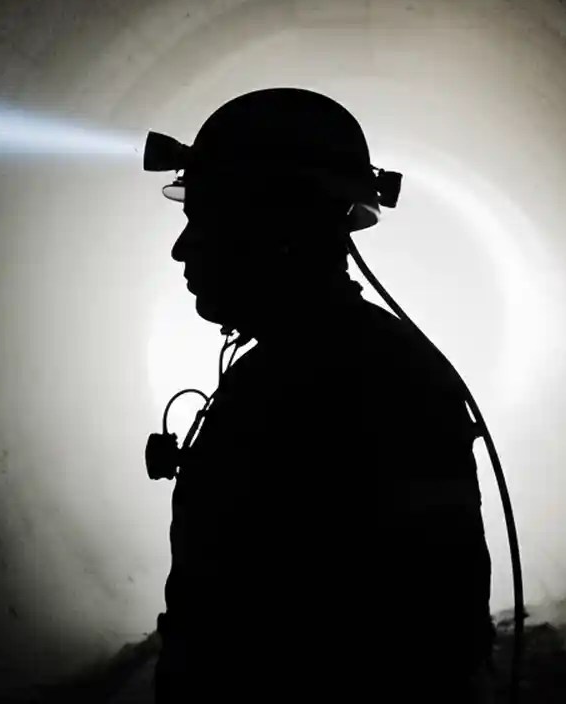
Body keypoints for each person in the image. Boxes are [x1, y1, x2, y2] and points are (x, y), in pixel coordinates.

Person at [151, 88, 494, 704]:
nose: (183, 248)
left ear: (275, 227)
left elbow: (431, 636)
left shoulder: (368, 383)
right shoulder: (336, 369)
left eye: (203, 220)